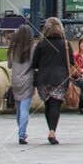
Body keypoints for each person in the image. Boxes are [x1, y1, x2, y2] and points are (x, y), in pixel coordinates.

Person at [30, 17, 72, 145]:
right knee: (55, 105)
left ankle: (50, 130)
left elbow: (34, 64)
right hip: (60, 78)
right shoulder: (65, 44)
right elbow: (71, 62)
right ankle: (52, 131)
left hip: (43, 79)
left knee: (48, 104)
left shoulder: (41, 44)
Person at [6, 23, 36, 145]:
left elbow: (9, 65)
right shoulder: (32, 48)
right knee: (25, 108)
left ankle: (21, 131)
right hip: (27, 80)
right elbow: (35, 64)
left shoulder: (12, 48)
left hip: (15, 80)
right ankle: (22, 134)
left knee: (19, 108)